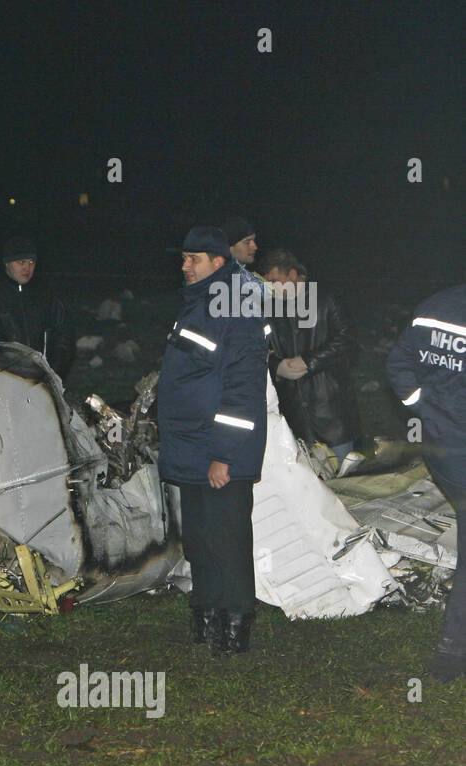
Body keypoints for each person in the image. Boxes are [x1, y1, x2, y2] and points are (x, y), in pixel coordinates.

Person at [157, 227, 268, 655]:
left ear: (217, 264)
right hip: (189, 447)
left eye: (194, 259)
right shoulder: (195, 306)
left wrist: (224, 455)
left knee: (228, 539)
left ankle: (235, 623)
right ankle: (205, 615)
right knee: (200, 539)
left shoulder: (236, 312)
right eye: (183, 258)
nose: (185, 267)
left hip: (219, 451)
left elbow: (243, 391)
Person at [386, 284, 466, 681]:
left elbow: (399, 365)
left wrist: (424, 412)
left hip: (444, 450)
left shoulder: (435, 305)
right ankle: (451, 652)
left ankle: (451, 652)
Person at [261, 248, 362, 461]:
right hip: (293, 416)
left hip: (332, 414)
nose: (274, 288)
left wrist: (309, 362)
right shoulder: (268, 308)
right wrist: (277, 366)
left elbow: (347, 339)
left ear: (293, 274)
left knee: (343, 481)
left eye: (278, 281)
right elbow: (255, 348)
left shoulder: (326, 299)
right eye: (269, 283)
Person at [0, 236, 73, 377]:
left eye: (31, 262)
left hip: (41, 374)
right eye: (21, 262)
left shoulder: (46, 293)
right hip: (2, 375)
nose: (27, 268)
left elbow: (64, 335)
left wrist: (55, 370)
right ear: (7, 263)